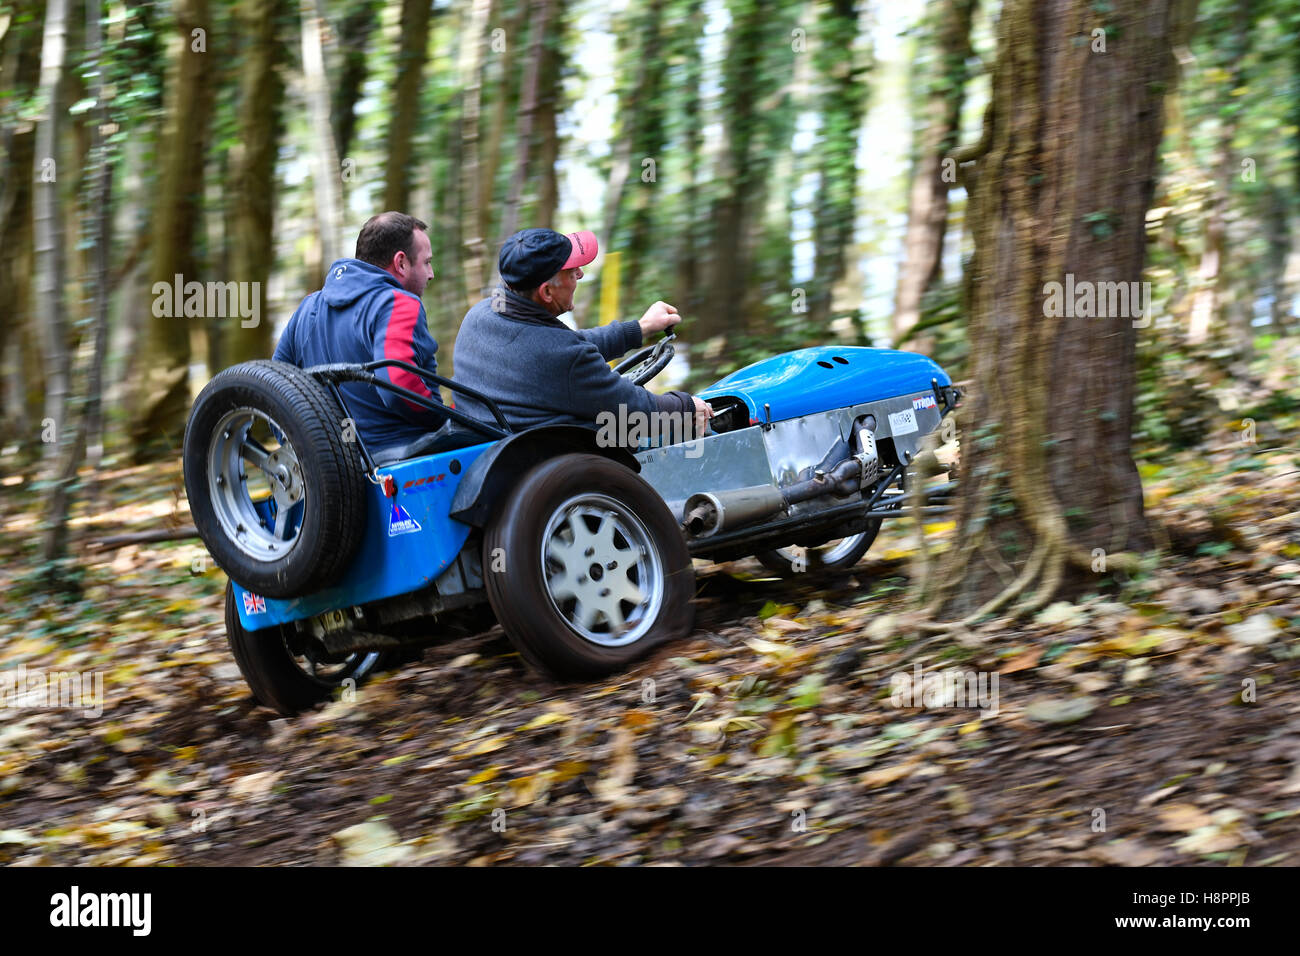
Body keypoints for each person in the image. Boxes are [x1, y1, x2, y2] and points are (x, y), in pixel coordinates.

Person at [452, 227, 712, 440]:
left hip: (501, 439)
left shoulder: (480, 315)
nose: (580, 273)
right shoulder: (560, 356)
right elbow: (635, 409)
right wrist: (686, 406)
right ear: (546, 292)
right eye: (571, 272)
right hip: (556, 455)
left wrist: (640, 328)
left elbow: (569, 346)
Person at [273, 212, 447, 454]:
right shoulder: (398, 303)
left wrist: (307, 453)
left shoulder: (306, 308)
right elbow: (398, 386)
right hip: (403, 460)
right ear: (401, 263)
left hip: (329, 472)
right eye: (426, 262)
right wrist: (443, 418)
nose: (431, 273)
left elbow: (273, 391)